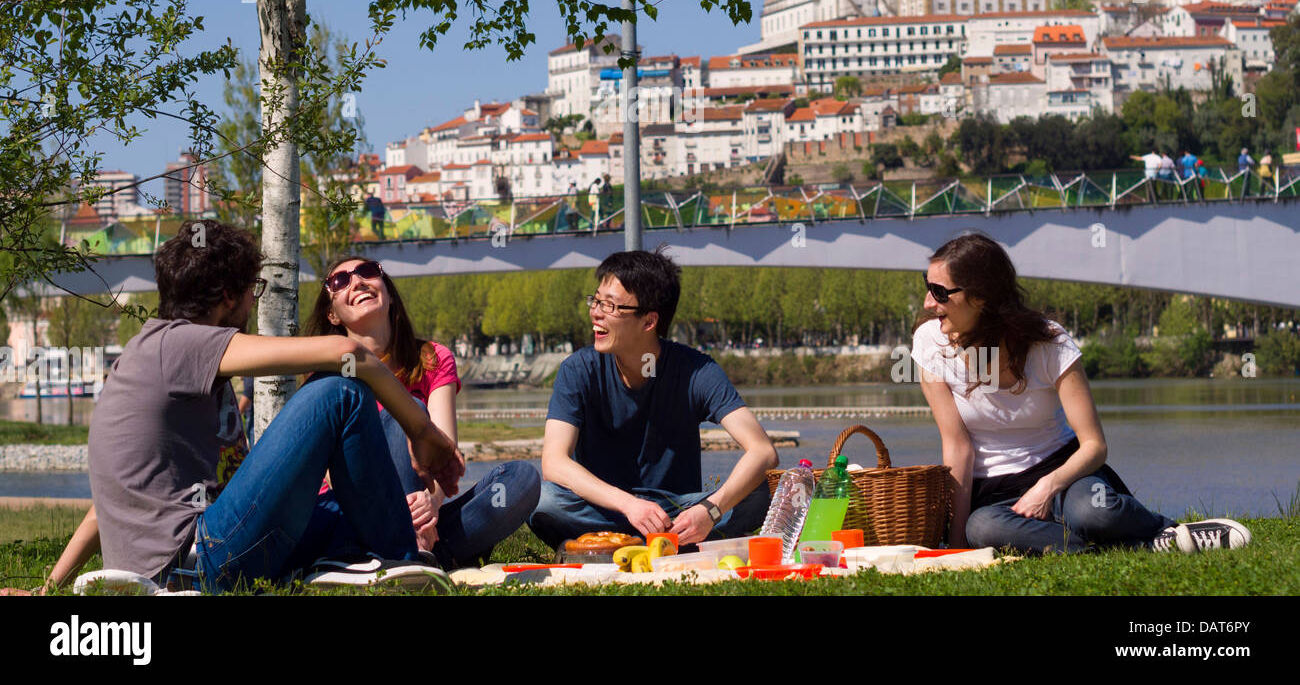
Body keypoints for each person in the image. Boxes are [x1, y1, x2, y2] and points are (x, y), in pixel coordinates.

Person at [29, 221, 464, 594]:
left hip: (218, 547)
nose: (254, 303)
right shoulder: (178, 344)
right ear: (227, 296)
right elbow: (348, 352)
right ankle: (401, 558)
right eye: (252, 290)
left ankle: (390, 552)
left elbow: (106, 504)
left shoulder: (156, 355)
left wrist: (49, 588)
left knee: (355, 513)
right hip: (196, 562)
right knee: (340, 391)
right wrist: (424, 434)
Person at [912, 232, 1251, 555]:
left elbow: (1094, 446)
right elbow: (958, 447)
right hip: (994, 495)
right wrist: (955, 544)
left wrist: (1046, 487)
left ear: (981, 297)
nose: (928, 303)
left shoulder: (1048, 343)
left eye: (940, 293)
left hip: (1066, 474)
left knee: (1095, 513)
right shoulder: (930, 343)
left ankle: (1165, 530)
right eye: (928, 288)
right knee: (983, 529)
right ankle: (1130, 544)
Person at [529, 249, 776, 549]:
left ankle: (608, 545)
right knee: (542, 499)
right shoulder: (578, 369)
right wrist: (629, 505)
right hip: (603, 508)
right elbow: (554, 462)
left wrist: (710, 511)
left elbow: (762, 451)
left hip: (675, 513)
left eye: (611, 305)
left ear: (648, 322)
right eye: (596, 300)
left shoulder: (696, 370)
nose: (596, 312)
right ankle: (647, 543)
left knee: (760, 491)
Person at [304, 255, 540, 569]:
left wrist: (432, 502)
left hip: (420, 512)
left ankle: (410, 555)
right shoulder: (328, 371)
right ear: (332, 314)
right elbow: (331, 476)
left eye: (367, 272)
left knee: (520, 479)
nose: (357, 281)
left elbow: (444, 452)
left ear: (387, 292)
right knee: (410, 411)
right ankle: (410, 553)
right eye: (340, 280)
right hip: (348, 516)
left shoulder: (431, 358)